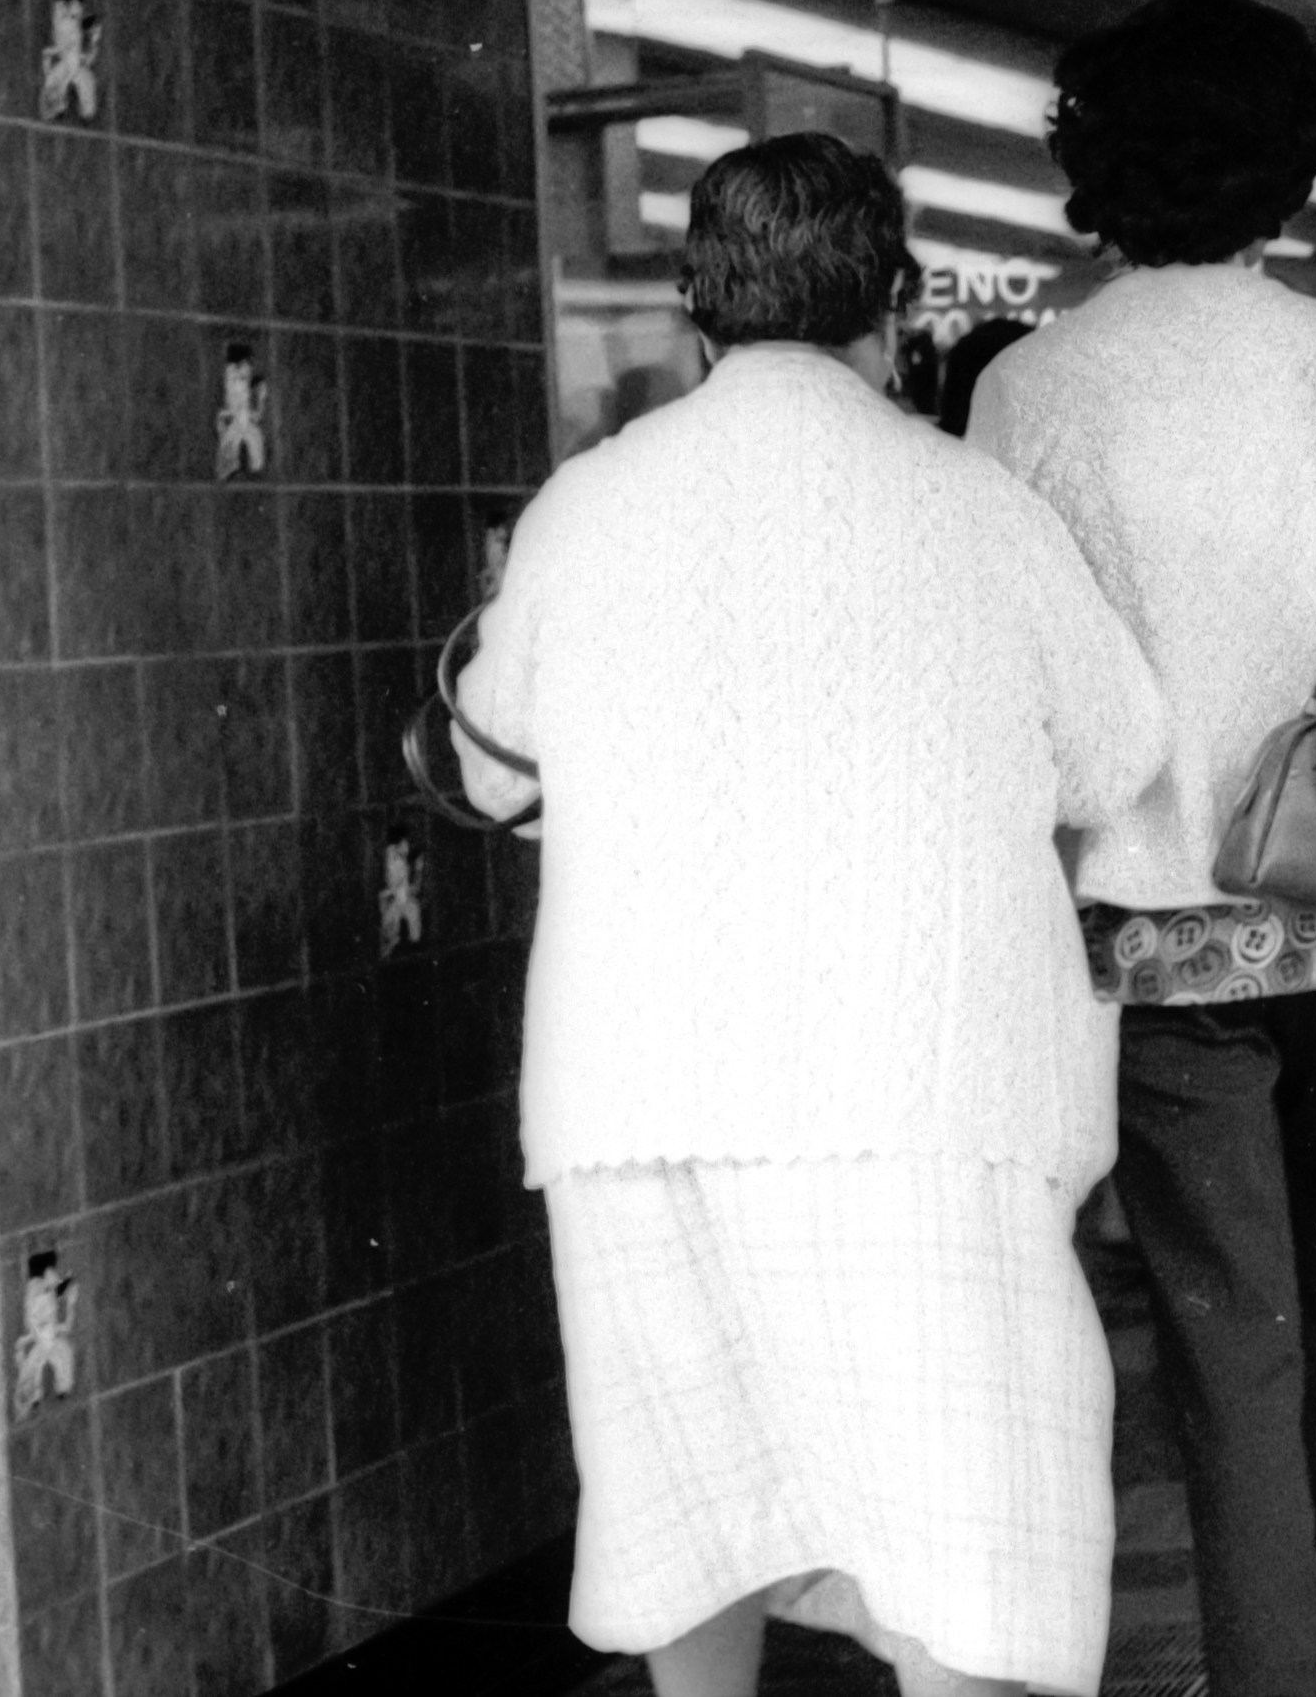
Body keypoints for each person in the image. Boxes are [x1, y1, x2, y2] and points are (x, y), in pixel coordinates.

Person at [461, 136, 1163, 1697]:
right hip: (917, 1082)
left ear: (694, 301)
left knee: (686, 1511)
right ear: (896, 301)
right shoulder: (974, 502)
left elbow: (492, 763)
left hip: (645, 1091)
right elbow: (1121, 749)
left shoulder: (589, 503)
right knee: (972, 1539)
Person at [967, 0, 1316, 1697]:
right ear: (1292, 159)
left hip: (1154, 926)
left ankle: (1282, 1675)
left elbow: (1020, 668)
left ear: (1094, 164)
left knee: (1225, 1326)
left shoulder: (1028, 385)